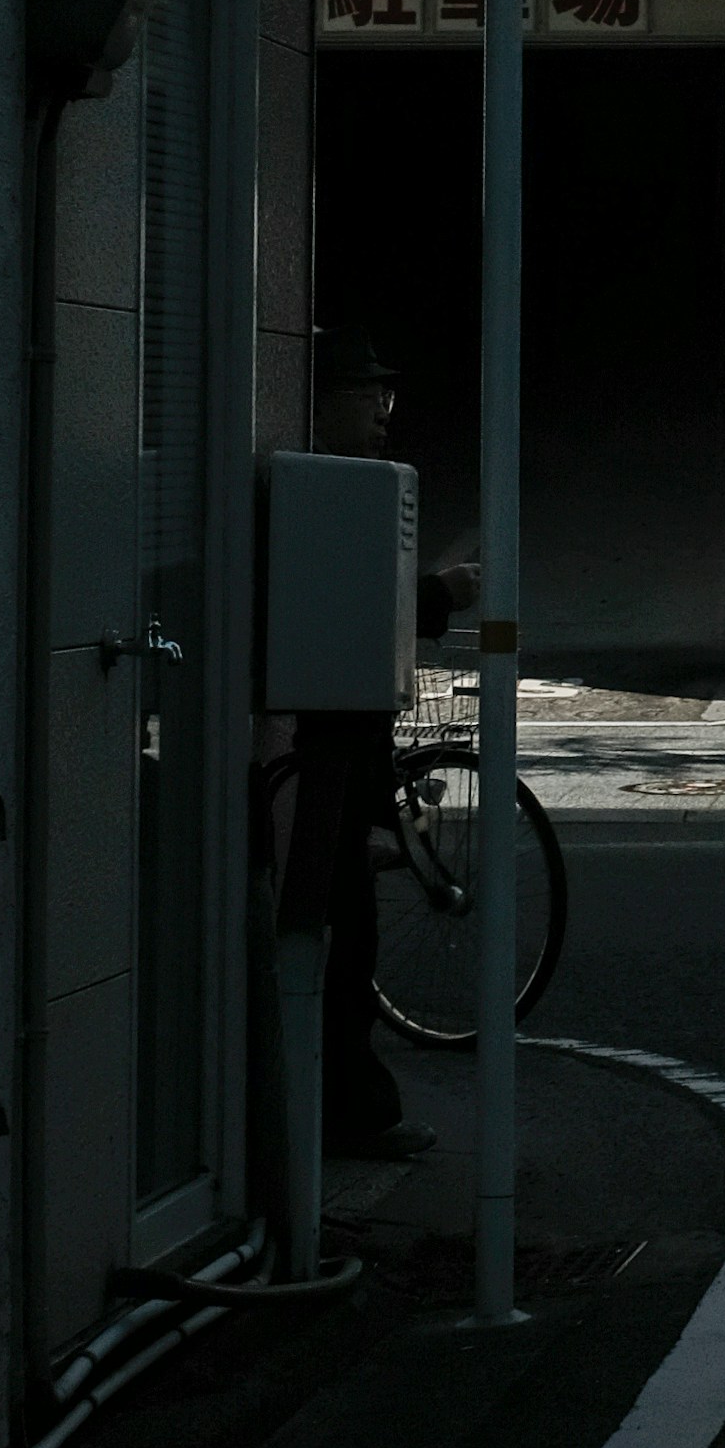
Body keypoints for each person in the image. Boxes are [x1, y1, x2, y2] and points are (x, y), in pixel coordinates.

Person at [302, 334, 437, 1168]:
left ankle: (346, 1109)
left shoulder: (332, 485)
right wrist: (435, 597)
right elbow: (352, 602)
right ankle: (352, 1116)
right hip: (321, 750)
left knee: (341, 939)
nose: (384, 414)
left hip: (334, 748)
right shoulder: (321, 489)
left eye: (387, 398)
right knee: (341, 944)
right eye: (366, 397)